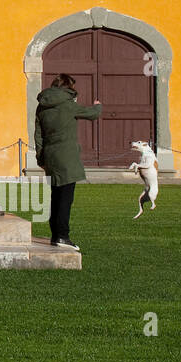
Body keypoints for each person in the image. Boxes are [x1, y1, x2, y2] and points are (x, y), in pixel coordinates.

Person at [34, 73, 102, 252]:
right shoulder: (68, 104)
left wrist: (41, 158)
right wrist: (98, 106)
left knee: (56, 197)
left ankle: (56, 235)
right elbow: (92, 114)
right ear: (68, 87)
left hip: (50, 155)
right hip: (67, 156)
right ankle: (62, 236)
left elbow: (38, 135)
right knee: (65, 198)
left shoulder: (41, 107)